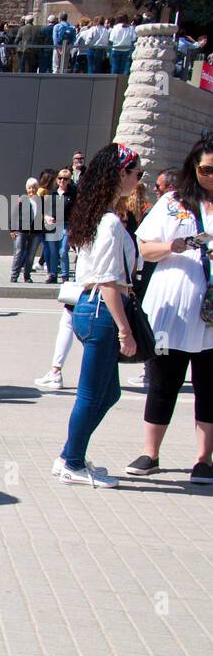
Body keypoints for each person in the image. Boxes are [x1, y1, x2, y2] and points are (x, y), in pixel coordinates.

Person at [53, 143, 143, 487]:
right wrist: (125, 330)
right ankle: (72, 461)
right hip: (102, 310)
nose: (138, 180)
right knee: (92, 394)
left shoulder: (100, 215)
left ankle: (70, 454)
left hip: (94, 309)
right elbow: (107, 280)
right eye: (136, 174)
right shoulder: (106, 221)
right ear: (120, 174)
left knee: (109, 393)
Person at [125, 135, 213, 485]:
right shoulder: (173, 203)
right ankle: (151, 453)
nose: (212, 176)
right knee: (163, 382)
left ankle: (204, 459)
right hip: (169, 313)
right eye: (207, 169)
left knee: (209, 386)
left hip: (209, 317)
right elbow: (144, 248)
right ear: (193, 167)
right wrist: (172, 246)